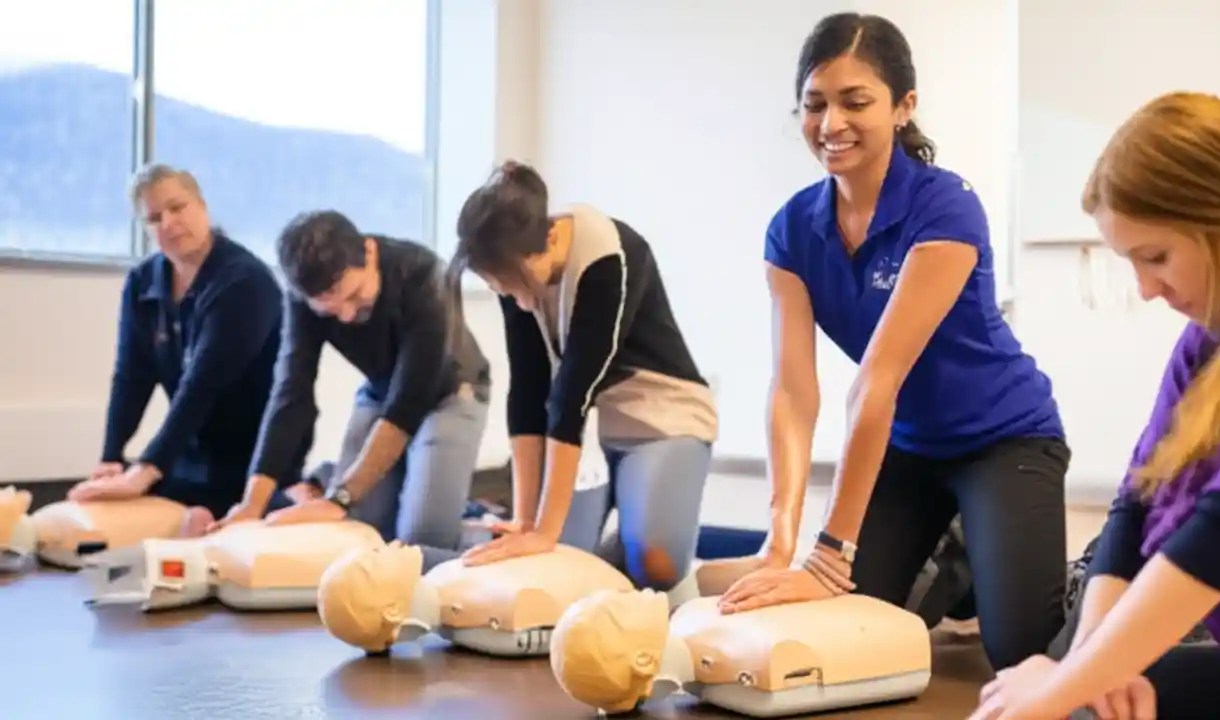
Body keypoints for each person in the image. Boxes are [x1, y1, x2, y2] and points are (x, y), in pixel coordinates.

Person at [715, 12, 1071, 673]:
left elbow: (877, 379)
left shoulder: (945, 207)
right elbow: (793, 391)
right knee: (848, 621)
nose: (831, 124)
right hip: (910, 450)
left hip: (1004, 438)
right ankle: (961, 565)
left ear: (904, 107)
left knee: (1020, 648)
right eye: (815, 104)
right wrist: (780, 541)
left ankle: (1043, 568)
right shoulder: (792, 231)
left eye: (856, 102)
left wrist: (828, 554)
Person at [970, 92, 1220, 720]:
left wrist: (1067, 685)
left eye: (1157, 257)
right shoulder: (1207, 343)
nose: (1146, 288)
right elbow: (1137, 500)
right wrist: (1091, 665)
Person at [447, 160, 718, 591]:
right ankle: (605, 552)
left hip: (664, 421)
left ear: (550, 237)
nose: (510, 296)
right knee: (548, 569)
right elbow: (529, 389)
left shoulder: (612, 259)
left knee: (656, 567)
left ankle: (659, 560)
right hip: (594, 431)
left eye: (512, 281)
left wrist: (544, 531)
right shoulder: (511, 270)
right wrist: (524, 519)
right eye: (497, 284)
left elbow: (571, 396)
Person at [209, 210, 491, 552]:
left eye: (355, 296)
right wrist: (251, 505)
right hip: (380, 391)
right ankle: (339, 478)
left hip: (449, 391)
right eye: (329, 311)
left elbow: (409, 400)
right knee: (356, 529)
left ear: (369, 252)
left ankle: (477, 517)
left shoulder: (424, 274)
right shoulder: (302, 297)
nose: (346, 316)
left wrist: (341, 495)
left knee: (419, 539)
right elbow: (290, 394)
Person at [68, 163, 296, 534]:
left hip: (255, 462)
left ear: (202, 206)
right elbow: (131, 376)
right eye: (154, 218)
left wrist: (145, 471)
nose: (169, 224)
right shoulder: (143, 283)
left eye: (178, 207)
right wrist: (111, 456)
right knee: (91, 498)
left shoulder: (245, 282)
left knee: (211, 519)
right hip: (188, 455)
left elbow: (202, 383)